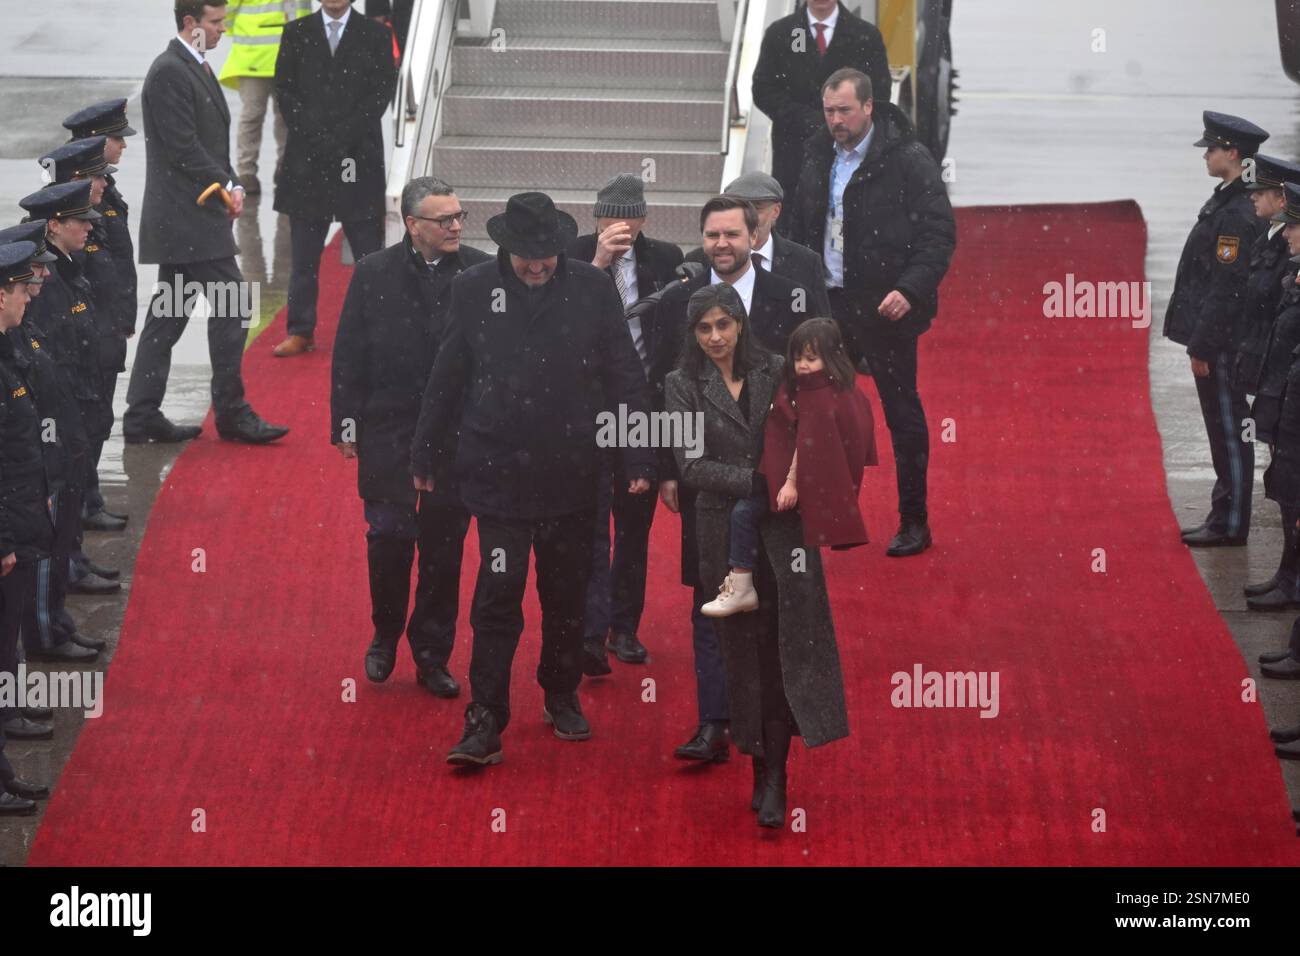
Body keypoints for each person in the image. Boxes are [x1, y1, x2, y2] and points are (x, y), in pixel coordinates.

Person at [411, 192, 655, 767]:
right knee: (498, 597)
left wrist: (641, 457)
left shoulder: (592, 289)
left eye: (546, 255)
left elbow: (625, 374)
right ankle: (485, 718)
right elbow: (447, 376)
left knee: (565, 596)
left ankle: (560, 690)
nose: (538, 265)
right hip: (497, 481)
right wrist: (424, 453)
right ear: (505, 247)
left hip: (573, 479)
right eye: (526, 256)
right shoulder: (471, 289)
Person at [665, 283, 848, 829]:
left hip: (787, 538)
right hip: (726, 541)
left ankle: (777, 775)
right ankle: (761, 769)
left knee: (785, 654)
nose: (716, 337)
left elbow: (822, 419)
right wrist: (759, 482)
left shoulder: (778, 367)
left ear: (740, 323)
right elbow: (691, 467)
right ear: (692, 334)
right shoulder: (680, 385)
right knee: (744, 660)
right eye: (704, 328)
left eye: (724, 324)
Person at [650, 195, 815, 765]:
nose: (715, 335)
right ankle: (715, 721)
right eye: (711, 235)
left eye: (732, 234)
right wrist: (667, 469)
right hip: (715, 505)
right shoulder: (679, 309)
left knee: (775, 614)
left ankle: (776, 724)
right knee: (710, 609)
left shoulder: (787, 300)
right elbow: (662, 394)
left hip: (781, 507)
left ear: (755, 234)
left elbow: (813, 396)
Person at [332, 177, 489, 698]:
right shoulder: (373, 272)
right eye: (444, 219)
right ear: (412, 223)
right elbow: (349, 353)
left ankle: (432, 655)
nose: (455, 226)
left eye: (459, 216)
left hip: (455, 434)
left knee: (444, 552)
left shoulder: (478, 270)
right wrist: (345, 425)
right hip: (388, 428)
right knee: (388, 540)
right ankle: (385, 633)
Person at [790, 67, 956, 558]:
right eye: (828, 111)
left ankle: (914, 521)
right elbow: (803, 223)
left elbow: (939, 234)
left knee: (902, 414)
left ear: (869, 107)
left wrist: (910, 289)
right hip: (828, 303)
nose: (835, 120)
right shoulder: (818, 152)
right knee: (816, 409)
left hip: (885, 308)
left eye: (844, 110)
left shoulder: (908, 159)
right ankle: (832, 515)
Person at [127, 0, 288, 445]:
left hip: (193, 218)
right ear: (190, 23)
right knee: (234, 304)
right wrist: (226, 184)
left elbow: (207, 147)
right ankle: (232, 413)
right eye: (215, 23)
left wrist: (231, 181)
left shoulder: (192, 65)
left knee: (169, 314)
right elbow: (182, 147)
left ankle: (141, 416)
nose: (222, 30)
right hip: (187, 221)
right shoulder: (169, 71)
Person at [567, 174, 682, 672]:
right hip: (586, 410)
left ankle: (625, 627)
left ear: (642, 218)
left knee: (635, 526)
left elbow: (677, 340)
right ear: (595, 218)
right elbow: (560, 317)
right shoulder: (570, 256)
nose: (619, 225)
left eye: (628, 216)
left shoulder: (665, 258)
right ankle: (590, 634)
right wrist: (597, 263)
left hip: (645, 410)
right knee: (589, 529)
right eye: (609, 216)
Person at [703, 316, 876, 618]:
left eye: (811, 358)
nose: (802, 366)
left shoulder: (818, 395)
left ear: (832, 357)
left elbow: (806, 443)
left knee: (743, 513)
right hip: (780, 470)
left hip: (783, 478)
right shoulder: (834, 390)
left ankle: (741, 583)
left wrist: (791, 483)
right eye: (798, 359)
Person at [1166, 111, 1270, 547]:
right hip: (1219, 340)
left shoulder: (1236, 212)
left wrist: (1203, 346)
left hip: (1223, 344)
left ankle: (1230, 523)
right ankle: (1223, 514)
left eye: (1211, 148)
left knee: (1230, 432)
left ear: (1233, 153)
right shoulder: (1229, 199)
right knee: (1224, 431)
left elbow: (1226, 288)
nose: (1205, 155)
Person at [271, 0, 396, 358]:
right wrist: (316, 136)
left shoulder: (375, 34)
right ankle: (301, 330)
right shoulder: (296, 33)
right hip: (307, 162)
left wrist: (342, 137)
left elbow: (381, 93)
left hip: (359, 159)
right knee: (304, 257)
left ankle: (378, 331)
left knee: (369, 257)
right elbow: (285, 91)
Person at [0, 220, 101, 662]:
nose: (40, 280)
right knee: (28, 576)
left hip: (52, 456)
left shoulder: (22, 326)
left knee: (53, 548)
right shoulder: (18, 330)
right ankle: (42, 634)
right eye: (29, 278)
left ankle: (50, 625)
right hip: (29, 476)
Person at [37, 136, 130, 540]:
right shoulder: (52, 255)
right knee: (73, 454)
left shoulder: (90, 216)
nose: (104, 184)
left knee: (96, 427)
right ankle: (74, 536)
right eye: (96, 177)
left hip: (101, 338)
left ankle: (80, 525)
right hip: (80, 359)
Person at [62, 100, 140, 533]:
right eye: (117, 139)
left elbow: (115, 263)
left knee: (100, 418)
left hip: (108, 325)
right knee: (87, 423)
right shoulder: (74, 196)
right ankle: (83, 505)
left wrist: (124, 315)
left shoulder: (103, 187)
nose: (122, 147)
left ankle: (87, 500)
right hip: (90, 330)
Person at [0, 241, 58, 812]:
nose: (29, 296)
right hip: (5, 534)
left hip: (17, 520)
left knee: (6, 645)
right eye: (22, 289)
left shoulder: (8, 347)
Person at [752, 0, 890, 228]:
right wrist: (809, 121)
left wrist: (845, 120)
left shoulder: (866, 35)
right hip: (795, 153)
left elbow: (879, 93)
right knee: (795, 229)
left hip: (851, 152)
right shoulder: (781, 33)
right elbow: (763, 90)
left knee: (852, 223)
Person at [1235, 162, 1300, 610]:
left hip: (1287, 389)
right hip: (1279, 387)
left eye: (1293, 226)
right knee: (1285, 489)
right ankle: (1287, 574)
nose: (1288, 233)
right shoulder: (1291, 264)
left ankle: (1292, 580)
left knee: (1293, 495)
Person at [684, 170, 830, 317]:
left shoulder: (805, 262)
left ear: (776, 211)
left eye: (756, 208)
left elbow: (819, 327)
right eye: (741, 209)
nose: (749, 218)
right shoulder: (699, 260)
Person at [218, 0, 312, 195]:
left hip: (291, 55)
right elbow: (224, 9)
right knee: (254, 115)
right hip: (255, 57)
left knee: (287, 116)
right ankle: (247, 172)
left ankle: (286, 167)